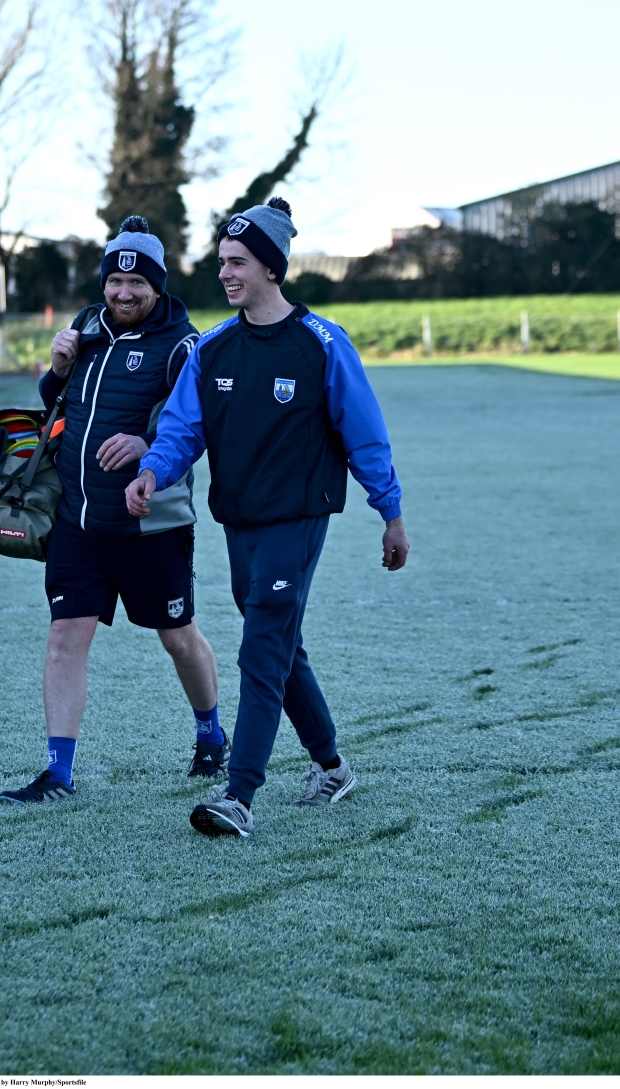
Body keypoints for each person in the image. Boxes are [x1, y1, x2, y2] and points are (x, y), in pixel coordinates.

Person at [127, 197, 409, 839]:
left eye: (238, 262)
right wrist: (152, 473)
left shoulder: (323, 344)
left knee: (261, 649)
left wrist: (389, 512)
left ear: (272, 269)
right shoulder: (213, 350)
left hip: (299, 519)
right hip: (240, 524)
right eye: (222, 261)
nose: (225, 273)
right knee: (282, 649)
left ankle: (239, 795)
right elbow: (180, 429)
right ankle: (332, 767)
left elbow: (366, 437)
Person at [0, 216, 228, 804]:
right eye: (114, 283)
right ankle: (58, 774)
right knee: (64, 638)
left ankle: (210, 733)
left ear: (157, 287)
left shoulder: (183, 344)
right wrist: (56, 368)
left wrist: (147, 448)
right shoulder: (85, 328)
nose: (124, 293)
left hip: (151, 523)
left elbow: (197, 423)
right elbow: (55, 405)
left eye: (137, 284)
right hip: (79, 521)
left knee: (178, 638)